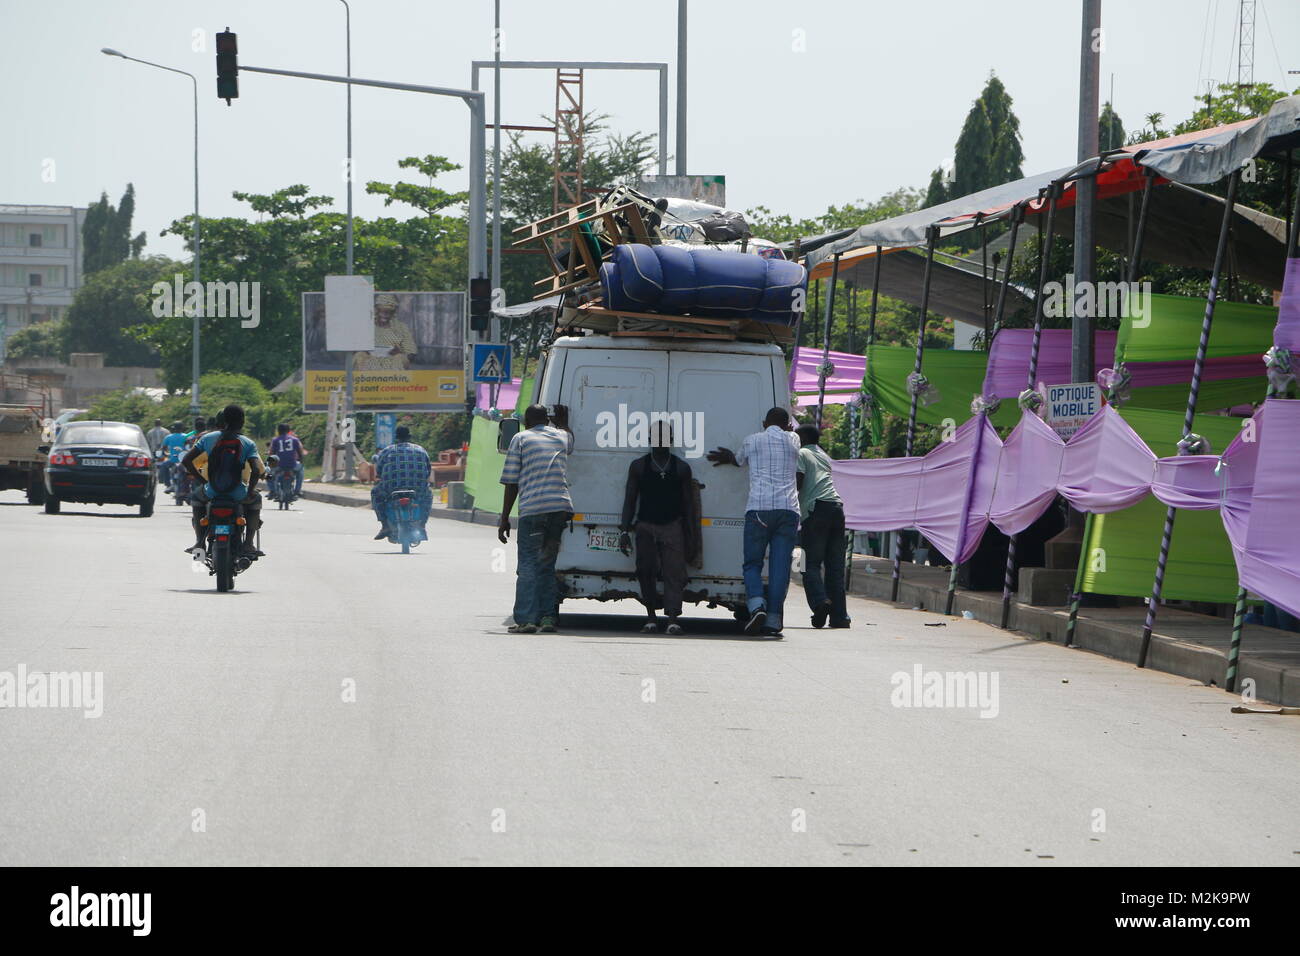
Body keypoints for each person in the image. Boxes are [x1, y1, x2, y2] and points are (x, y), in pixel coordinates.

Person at [707, 406, 800, 638]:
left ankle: (757, 605)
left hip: (759, 509)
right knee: (780, 566)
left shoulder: (752, 441)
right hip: (788, 510)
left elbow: (738, 461)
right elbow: (792, 436)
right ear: (788, 425)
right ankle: (774, 620)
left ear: (763, 423)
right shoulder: (794, 439)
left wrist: (729, 457)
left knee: (752, 564)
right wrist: (788, 430)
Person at [618, 420, 700, 635]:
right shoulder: (639, 466)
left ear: (671, 441)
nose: (660, 442)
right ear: (649, 440)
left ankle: (673, 618)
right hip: (645, 525)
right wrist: (624, 530)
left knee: (675, 573)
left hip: (673, 526)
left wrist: (692, 536)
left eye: (664, 438)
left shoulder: (681, 467)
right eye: (656, 438)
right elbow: (630, 499)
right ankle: (651, 617)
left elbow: (689, 505)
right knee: (645, 571)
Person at [498, 403, 574, 635]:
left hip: (533, 508)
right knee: (547, 566)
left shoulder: (520, 439)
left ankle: (527, 620)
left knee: (528, 565)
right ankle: (548, 618)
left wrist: (504, 519)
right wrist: (561, 421)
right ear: (547, 419)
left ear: (526, 422)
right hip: (559, 507)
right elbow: (570, 437)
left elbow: (512, 482)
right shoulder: (561, 436)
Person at [181, 404, 264, 558]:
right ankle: (248, 544)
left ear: (223, 420)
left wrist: (203, 482)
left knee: (196, 500)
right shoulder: (247, 443)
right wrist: (250, 491)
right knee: (256, 500)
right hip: (238, 493)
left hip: (212, 491)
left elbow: (186, 460)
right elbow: (257, 470)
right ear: (242, 421)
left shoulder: (207, 439)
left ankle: (199, 543)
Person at [795, 424, 851, 629]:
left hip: (816, 510)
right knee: (835, 567)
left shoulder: (801, 453)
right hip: (837, 508)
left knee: (807, 564)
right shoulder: (823, 455)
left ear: (803, 438)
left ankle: (820, 603)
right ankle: (840, 617)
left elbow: (798, 483)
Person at [370, 425, 432, 541]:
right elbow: (428, 470)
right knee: (428, 496)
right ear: (409, 437)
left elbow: (378, 470)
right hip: (417, 489)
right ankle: (422, 525)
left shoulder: (387, 451)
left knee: (375, 492)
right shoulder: (421, 450)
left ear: (396, 437)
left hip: (391, 489)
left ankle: (385, 525)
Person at [354, 293, 417, 371]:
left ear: (394, 312)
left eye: (389, 312)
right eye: (382, 311)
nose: (385, 315)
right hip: (369, 360)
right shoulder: (366, 326)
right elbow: (353, 348)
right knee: (359, 355)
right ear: (376, 310)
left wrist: (400, 353)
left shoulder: (401, 328)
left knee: (400, 358)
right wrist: (363, 349)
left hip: (392, 362)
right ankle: (363, 381)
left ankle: (392, 381)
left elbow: (412, 353)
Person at [268, 423, 306, 501]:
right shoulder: (295, 440)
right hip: (292, 465)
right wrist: (301, 462)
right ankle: (297, 491)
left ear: (278, 431)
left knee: (268, 473)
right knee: (301, 471)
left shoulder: (275, 440)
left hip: (279, 465)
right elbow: (300, 453)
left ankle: (272, 491)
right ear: (289, 431)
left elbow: (272, 453)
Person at [159, 421, 188, 489]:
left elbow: (163, 448)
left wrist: (166, 454)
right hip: (185, 460)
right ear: (182, 428)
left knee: (163, 466)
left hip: (173, 460)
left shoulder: (169, 437)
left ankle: (167, 484)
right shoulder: (186, 436)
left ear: (174, 428)